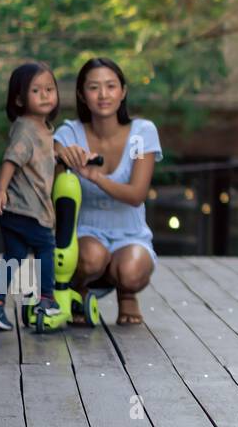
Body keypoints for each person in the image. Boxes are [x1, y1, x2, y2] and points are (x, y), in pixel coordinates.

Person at [53, 57, 163, 325]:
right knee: (90, 260)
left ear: (123, 91)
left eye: (111, 86)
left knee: (131, 272)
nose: (103, 95)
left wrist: (95, 176)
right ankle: (77, 291)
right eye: (94, 87)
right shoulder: (71, 133)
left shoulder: (140, 133)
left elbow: (136, 195)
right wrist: (60, 155)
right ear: (81, 94)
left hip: (130, 234)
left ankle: (126, 295)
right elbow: (50, 163)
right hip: (87, 232)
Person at [0, 62, 63, 331]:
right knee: (46, 248)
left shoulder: (43, 128)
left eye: (50, 89)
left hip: (15, 211)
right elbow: (10, 160)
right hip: (28, 209)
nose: (45, 95)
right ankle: (47, 299)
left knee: (14, 255)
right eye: (37, 90)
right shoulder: (26, 128)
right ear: (19, 99)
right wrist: (0, 190)